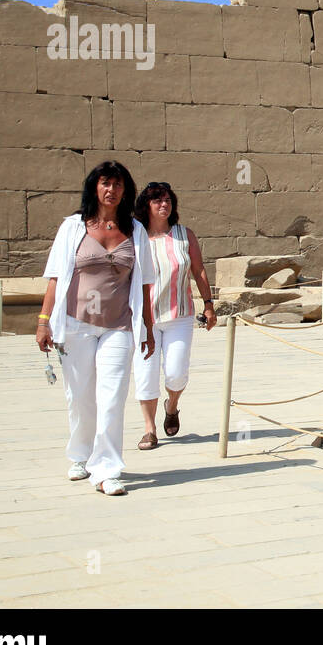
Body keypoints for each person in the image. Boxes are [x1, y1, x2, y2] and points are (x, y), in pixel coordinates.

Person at [36, 162, 155, 496]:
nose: (111, 190)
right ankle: (81, 455)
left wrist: (146, 327)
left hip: (118, 327)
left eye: (118, 184)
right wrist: (43, 322)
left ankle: (107, 469)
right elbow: (56, 278)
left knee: (112, 397)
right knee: (80, 397)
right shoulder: (73, 227)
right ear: (94, 187)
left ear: (125, 190)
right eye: (106, 183)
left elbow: (145, 283)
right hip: (76, 325)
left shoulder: (135, 230)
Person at [132, 182, 216, 449]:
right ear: (146, 205)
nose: (163, 205)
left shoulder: (184, 234)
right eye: (157, 201)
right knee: (145, 373)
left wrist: (209, 304)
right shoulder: (136, 236)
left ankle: (172, 405)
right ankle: (149, 428)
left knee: (176, 373)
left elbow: (199, 270)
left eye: (167, 200)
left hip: (179, 314)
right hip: (145, 317)